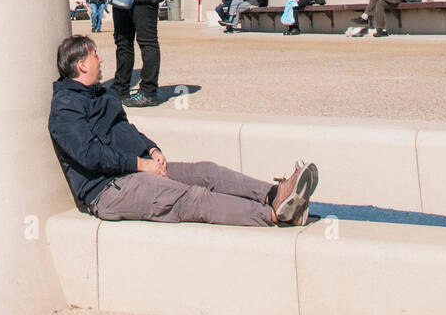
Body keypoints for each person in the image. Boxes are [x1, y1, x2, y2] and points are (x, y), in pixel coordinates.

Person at [48, 36, 318, 226]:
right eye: (95, 55)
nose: (101, 60)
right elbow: (90, 154)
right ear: (82, 64)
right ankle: (275, 216)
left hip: (134, 169)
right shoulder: (65, 108)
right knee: (192, 198)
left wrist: (151, 150)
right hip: (107, 190)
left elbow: (124, 128)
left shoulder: (102, 94)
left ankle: (275, 195)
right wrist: (140, 164)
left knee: (206, 172)